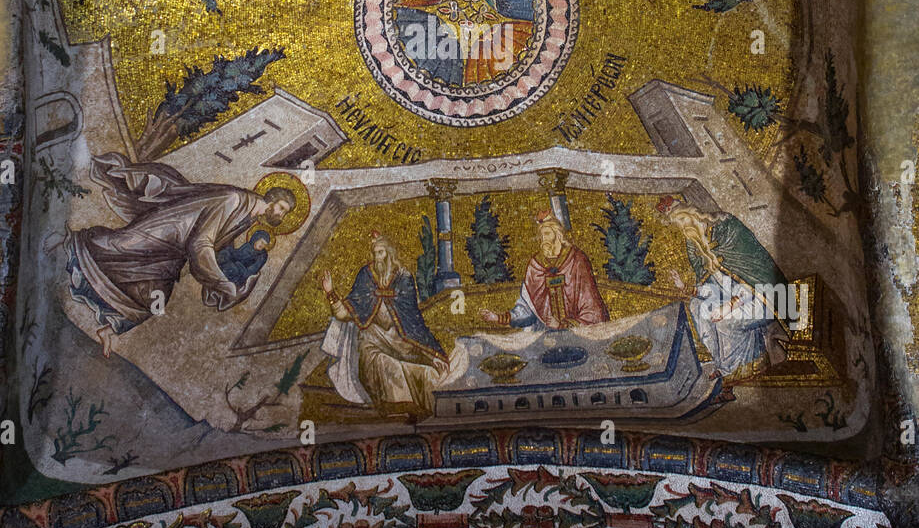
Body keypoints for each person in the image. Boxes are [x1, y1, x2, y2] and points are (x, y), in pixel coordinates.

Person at [67, 154, 295, 357]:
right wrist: (222, 283)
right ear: (272, 199)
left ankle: (109, 329)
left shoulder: (248, 218)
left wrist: (228, 284)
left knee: (154, 298)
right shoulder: (234, 200)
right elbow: (201, 243)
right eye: (283, 208)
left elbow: (217, 249)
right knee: (116, 248)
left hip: (175, 251)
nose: (282, 216)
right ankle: (66, 247)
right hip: (167, 230)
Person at [658, 195, 788, 381]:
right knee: (698, 308)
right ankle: (721, 363)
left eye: (682, 221)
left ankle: (743, 367)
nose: (683, 229)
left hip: (761, 297)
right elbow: (715, 287)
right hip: (734, 299)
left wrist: (728, 306)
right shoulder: (699, 247)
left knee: (725, 322)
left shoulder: (727, 230)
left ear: (691, 215)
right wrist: (688, 288)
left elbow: (750, 278)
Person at [321, 232, 448, 413]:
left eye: (380, 252)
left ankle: (431, 412)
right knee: (385, 364)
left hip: (400, 342)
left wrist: (433, 355)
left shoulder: (403, 278)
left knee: (429, 374)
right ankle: (400, 410)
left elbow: (414, 322)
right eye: (374, 253)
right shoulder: (366, 276)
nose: (377, 258)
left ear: (389, 253)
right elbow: (344, 313)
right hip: (372, 341)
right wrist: (330, 292)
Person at [479, 210, 609, 330]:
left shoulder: (576, 260)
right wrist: (498, 317)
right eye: (541, 235)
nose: (544, 239)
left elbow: (592, 308)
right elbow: (526, 308)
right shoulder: (535, 265)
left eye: (547, 233)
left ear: (558, 234)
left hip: (576, 333)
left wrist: (563, 325)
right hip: (544, 333)